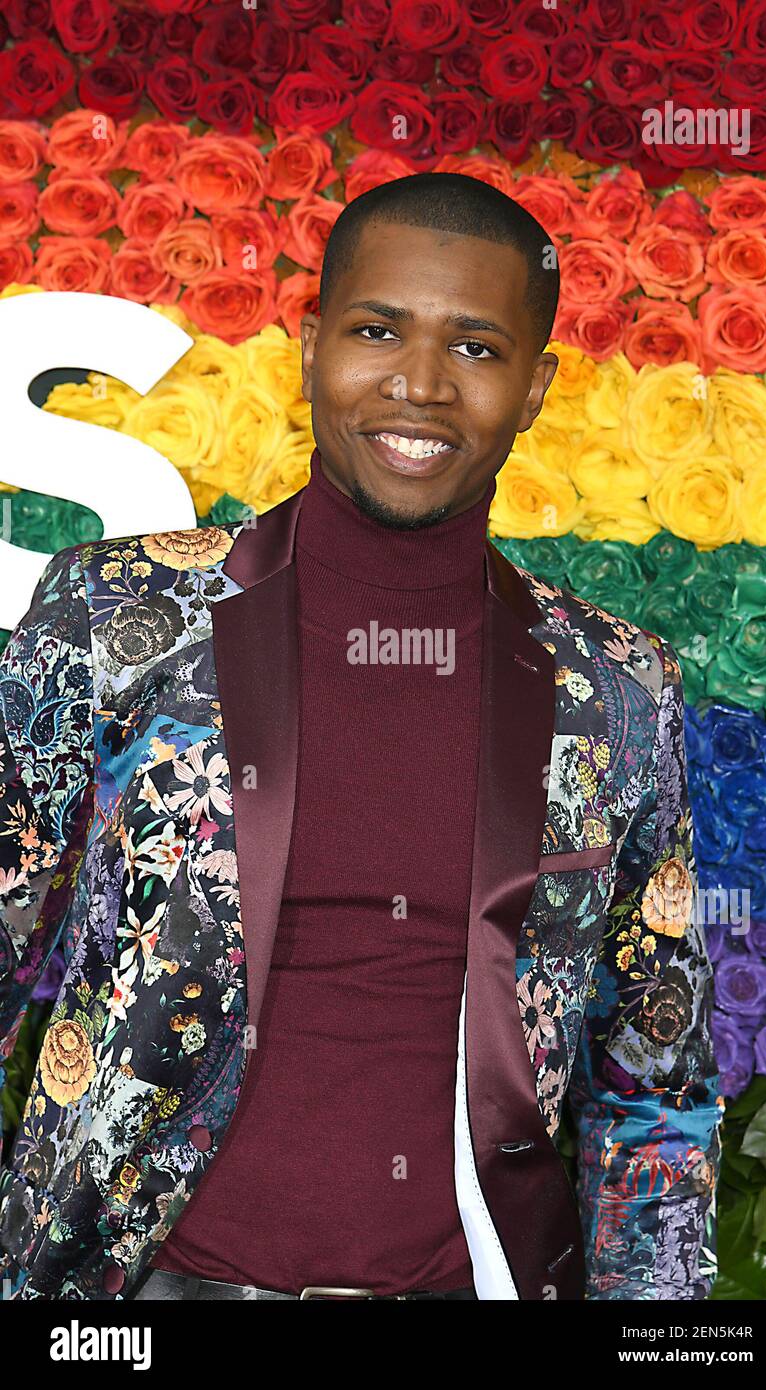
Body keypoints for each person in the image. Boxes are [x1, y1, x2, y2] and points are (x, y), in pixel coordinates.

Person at [0, 173, 723, 1302]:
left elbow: (654, 1075)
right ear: (308, 346)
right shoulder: (113, 617)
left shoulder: (616, 686)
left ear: (533, 388)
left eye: (476, 349)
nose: (419, 384)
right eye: (377, 330)